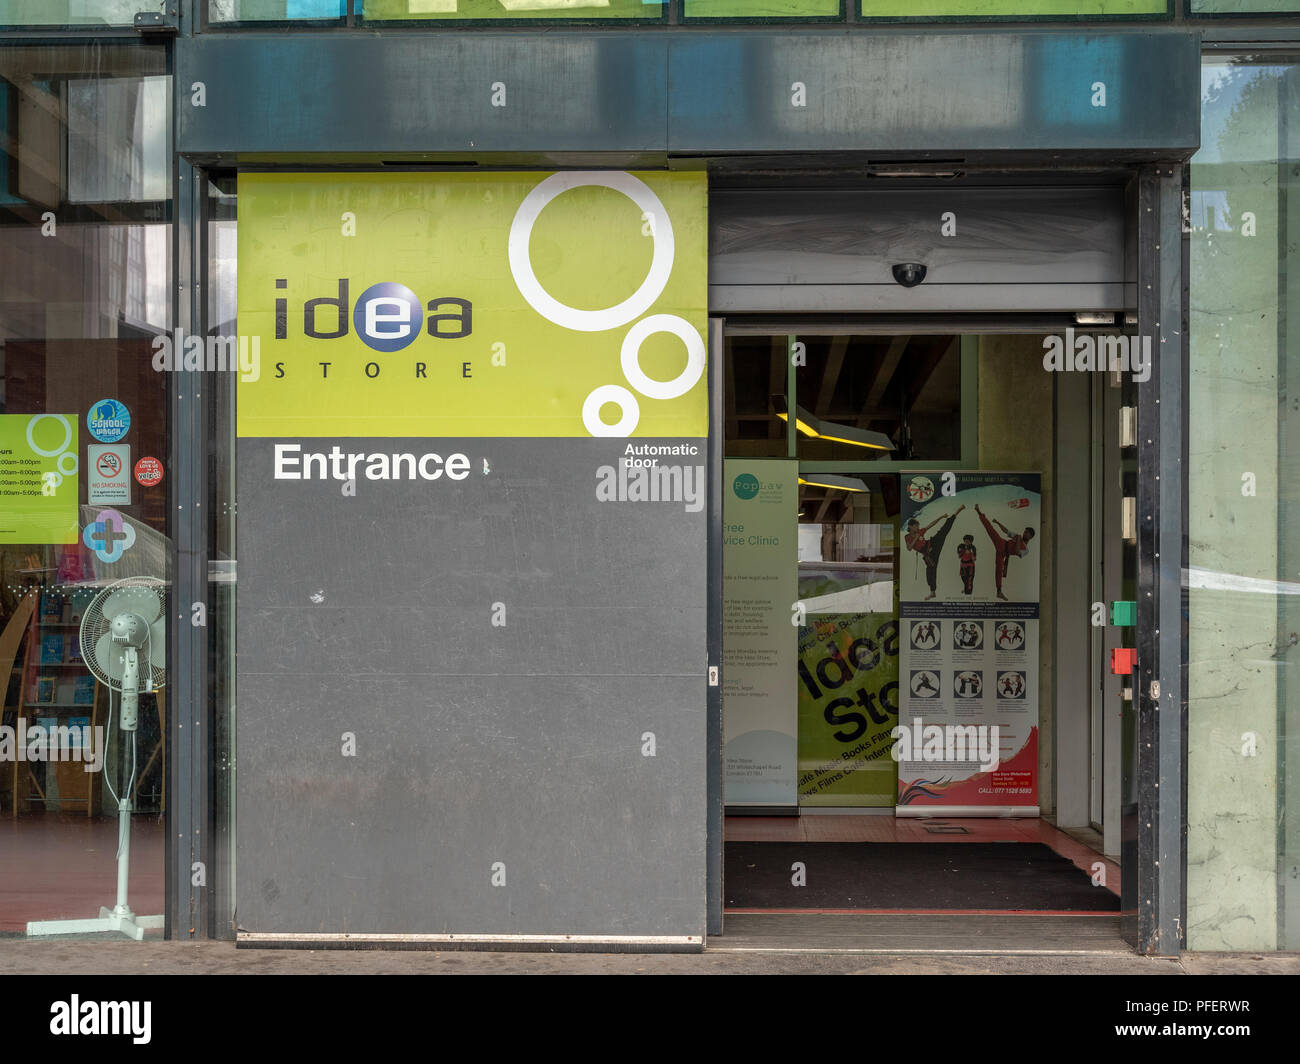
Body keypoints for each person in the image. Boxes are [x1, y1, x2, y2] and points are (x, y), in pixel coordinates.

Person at [905, 504, 965, 601]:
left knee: (943, 531)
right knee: (930, 572)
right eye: (916, 525)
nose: (918, 527)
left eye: (918, 525)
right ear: (910, 526)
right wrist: (916, 537)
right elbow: (909, 548)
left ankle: (958, 511)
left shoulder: (920, 531)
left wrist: (941, 517)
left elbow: (931, 524)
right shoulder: (907, 537)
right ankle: (932, 592)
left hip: (932, 544)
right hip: (928, 554)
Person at [975, 503, 1035, 601]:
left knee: (999, 570)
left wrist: (1018, 540)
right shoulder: (1018, 537)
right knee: (990, 529)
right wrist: (998, 522)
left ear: (1030, 537)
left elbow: (1016, 551)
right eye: (1025, 531)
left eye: (1027, 533)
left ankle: (999, 592)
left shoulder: (1026, 550)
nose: (1024, 533)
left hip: (1004, 553)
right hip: (1002, 544)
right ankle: (978, 512)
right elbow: (1006, 531)